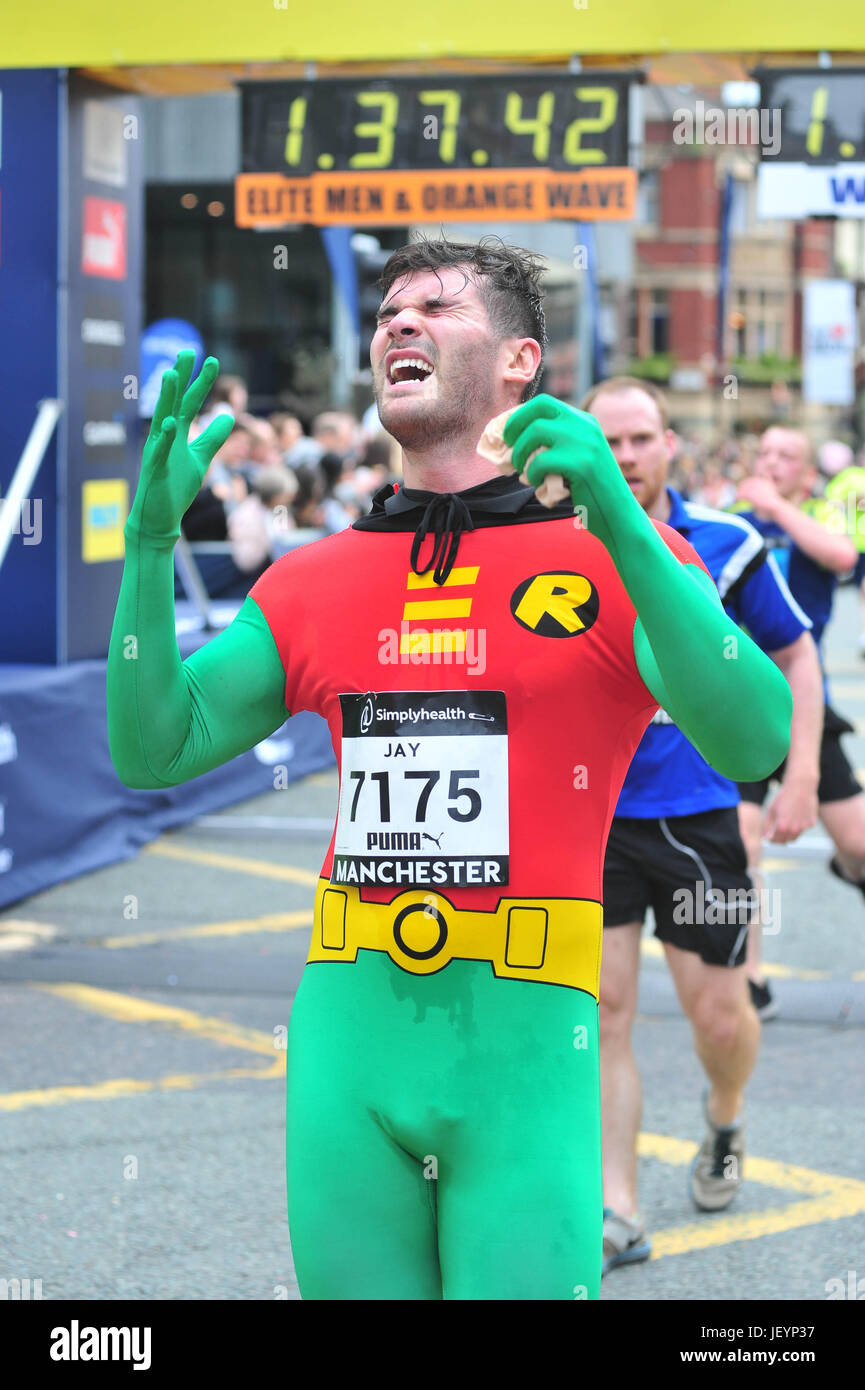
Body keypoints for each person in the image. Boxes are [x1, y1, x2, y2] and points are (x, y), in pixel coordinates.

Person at [106, 237, 791, 1300]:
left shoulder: (608, 553)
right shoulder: (317, 576)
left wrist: (615, 516)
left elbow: (754, 736)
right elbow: (153, 744)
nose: (397, 323)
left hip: (525, 1039)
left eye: (435, 306)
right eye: (387, 311)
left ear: (520, 361)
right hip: (350, 1030)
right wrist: (148, 548)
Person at [581, 378, 822, 1274]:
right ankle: (616, 1204)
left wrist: (795, 773)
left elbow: (794, 654)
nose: (626, 458)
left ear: (669, 444)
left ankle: (723, 1117)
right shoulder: (547, 548)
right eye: (608, 443)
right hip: (589, 816)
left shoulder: (724, 543)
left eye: (641, 439)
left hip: (696, 818)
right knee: (603, 1012)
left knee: (718, 1016)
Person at [732, 427, 864, 1017]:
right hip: (741, 707)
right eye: (765, 454)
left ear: (807, 474)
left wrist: (778, 506)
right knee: (742, 844)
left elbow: (841, 558)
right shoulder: (733, 526)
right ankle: (750, 976)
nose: (772, 463)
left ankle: (848, 866)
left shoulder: (816, 517)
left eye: (787, 456)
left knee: (858, 844)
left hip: (807, 704)